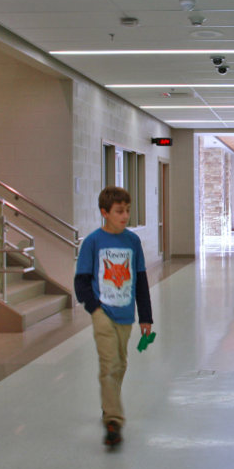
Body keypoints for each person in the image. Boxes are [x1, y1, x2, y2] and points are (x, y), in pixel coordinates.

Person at [73, 186, 153, 448]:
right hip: (102, 313)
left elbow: (141, 281)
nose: (125, 215)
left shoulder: (132, 241)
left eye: (128, 210)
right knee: (109, 365)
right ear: (104, 212)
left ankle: (109, 408)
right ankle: (114, 421)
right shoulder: (93, 242)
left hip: (126, 313)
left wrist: (146, 317)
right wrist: (94, 308)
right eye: (119, 211)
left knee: (120, 363)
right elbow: (81, 281)